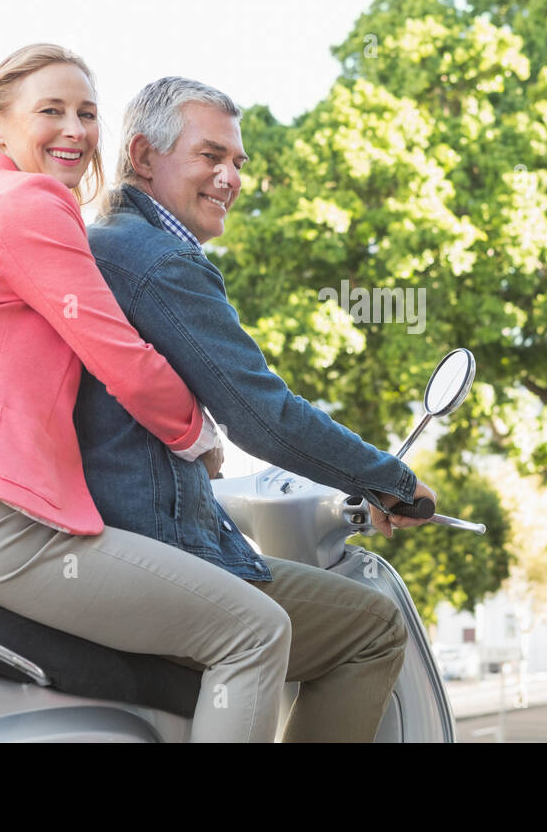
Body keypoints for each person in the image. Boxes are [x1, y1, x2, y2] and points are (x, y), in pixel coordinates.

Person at [0, 45, 292, 742]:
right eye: (52, 111)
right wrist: (200, 438)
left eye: (87, 113)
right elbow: (122, 358)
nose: (75, 129)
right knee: (254, 632)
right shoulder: (34, 203)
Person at [74, 76, 437, 742]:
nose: (230, 177)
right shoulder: (159, 260)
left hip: (112, 537)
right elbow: (263, 415)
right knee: (372, 627)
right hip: (158, 546)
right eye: (210, 156)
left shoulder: (105, 244)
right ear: (144, 157)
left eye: (237, 163)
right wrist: (390, 481)